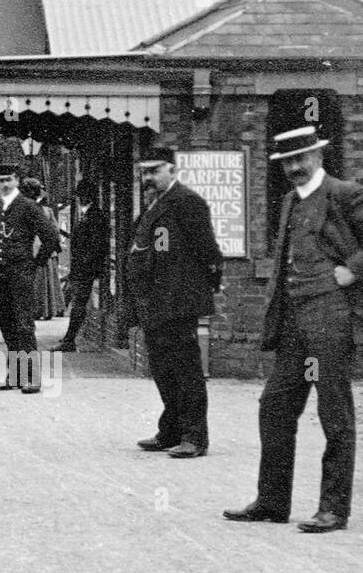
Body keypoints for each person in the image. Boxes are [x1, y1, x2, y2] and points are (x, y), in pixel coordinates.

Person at [225, 126, 360, 533]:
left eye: (301, 159)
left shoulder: (345, 193)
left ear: (318, 156)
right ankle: (272, 502)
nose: (294, 168)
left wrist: (352, 271)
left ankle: (333, 509)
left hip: (330, 319)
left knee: (334, 412)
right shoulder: (288, 201)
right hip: (295, 325)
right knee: (275, 406)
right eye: (287, 162)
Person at [128, 147, 223, 459]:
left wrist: (200, 288)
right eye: (144, 172)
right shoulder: (155, 204)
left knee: (186, 369)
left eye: (154, 170)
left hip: (179, 299)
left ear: (172, 170)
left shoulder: (187, 202)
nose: (148, 177)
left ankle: (195, 437)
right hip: (156, 300)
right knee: (162, 368)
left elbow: (208, 251)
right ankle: (170, 430)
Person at [0, 163, 61, 393]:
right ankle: (15, 375)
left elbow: (51, 239)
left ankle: (32, 377)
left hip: (20, 276)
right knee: (7, 325)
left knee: (24, 326)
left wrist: (34, 265)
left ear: (17, 180)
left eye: (8, 179)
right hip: (1, 278)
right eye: (0, 180)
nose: (4, 184)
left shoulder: (27, 206)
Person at [52, 179, 109, 352]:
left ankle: (69, 340)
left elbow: (96, 245)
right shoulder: (87, 214)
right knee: (76, 301)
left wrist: (83, 266)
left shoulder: (95, 215)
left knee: (78, 303)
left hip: (86, 268)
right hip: (82, 267)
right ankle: (69, 337)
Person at [22, 178, 63, 320]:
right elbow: (55, 230)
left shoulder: (28, 209)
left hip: (36, 249)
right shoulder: (47, 210)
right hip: (44, 250)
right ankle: (45, 310)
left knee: (37, 282)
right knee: (44, 281)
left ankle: (36, 310)